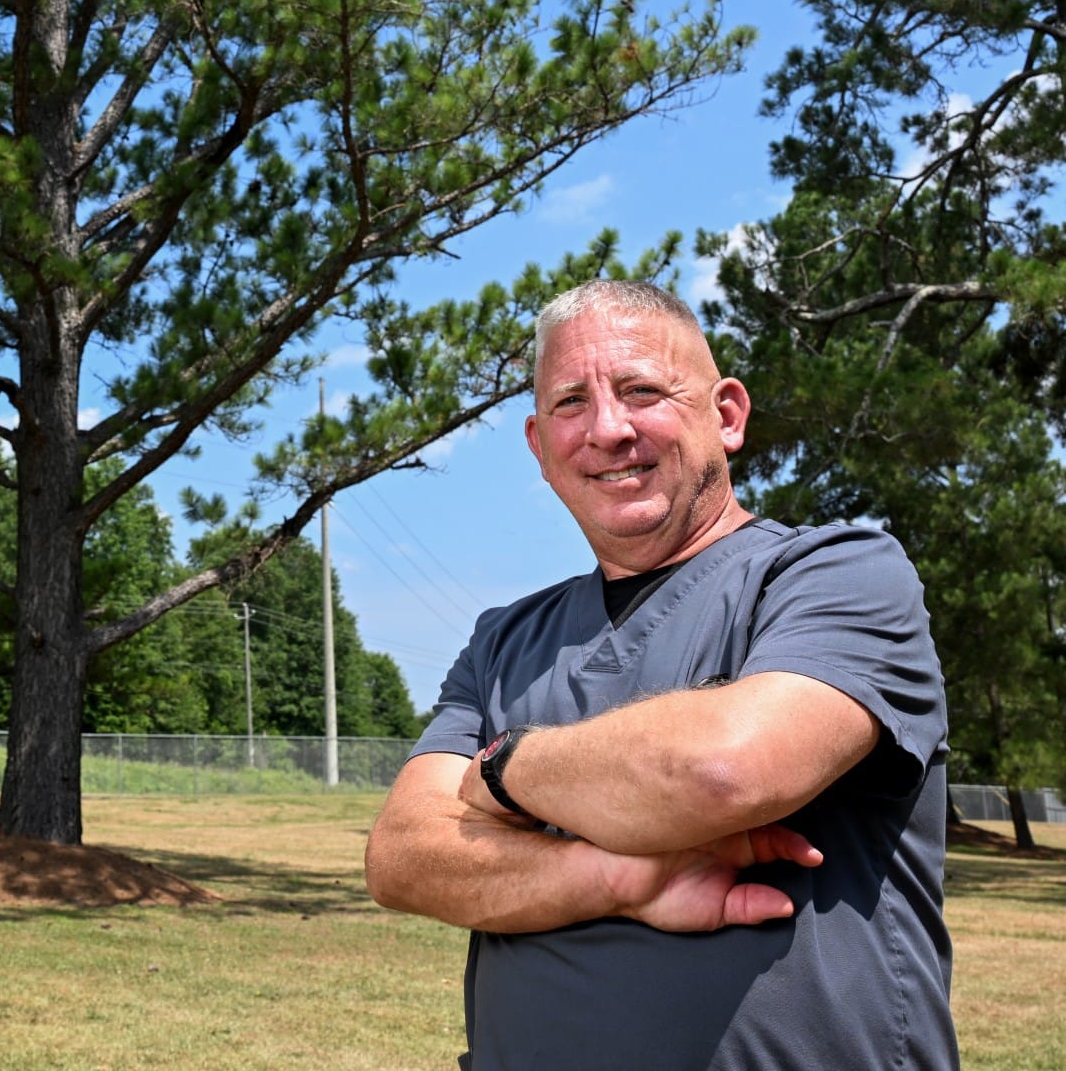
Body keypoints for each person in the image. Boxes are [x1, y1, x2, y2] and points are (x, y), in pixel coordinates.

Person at [365, 279, 956, 1071]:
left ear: (727, 415)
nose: (608, 429)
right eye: (572, 403)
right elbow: (403, 857)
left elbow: (725, 769)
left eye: (642, 390)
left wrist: (503, 770)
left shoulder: (838, 575)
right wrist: (611, 877)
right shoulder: (504, 638)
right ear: (540, 448)